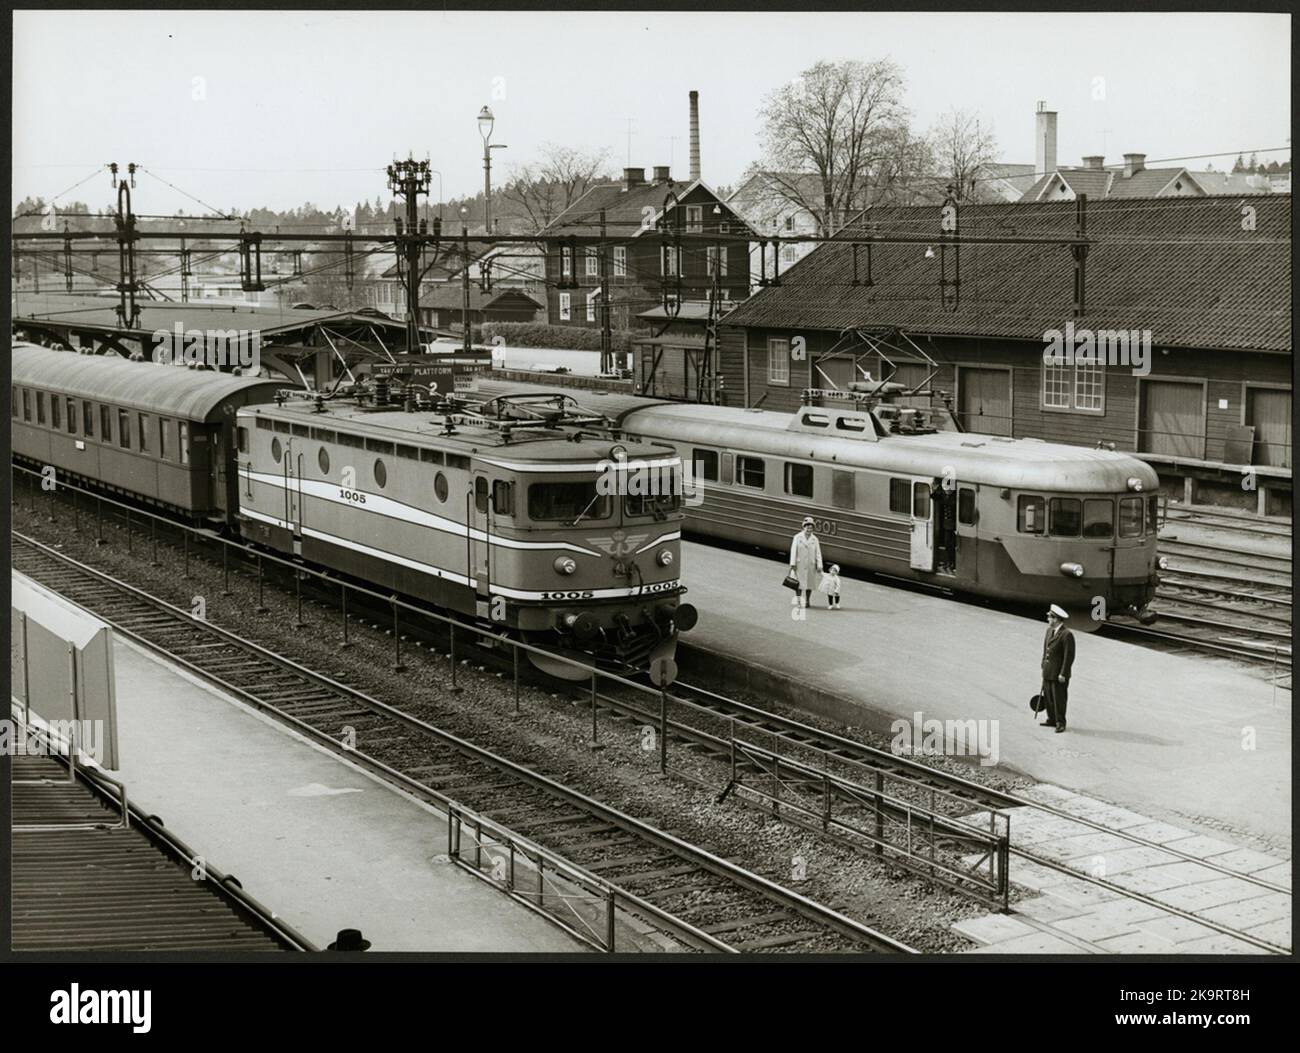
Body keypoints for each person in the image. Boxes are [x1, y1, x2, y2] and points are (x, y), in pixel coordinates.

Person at [1040, 604, 1075, 733]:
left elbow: (1069, 657)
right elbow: (1045, 649)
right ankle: (1051, 719)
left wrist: (1063, 673)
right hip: (1048, 671)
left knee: (1059, 698)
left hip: (1059, 674)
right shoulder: (1049, 631)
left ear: (1056, 619)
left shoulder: (1067, 635)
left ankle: (1060, 722)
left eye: (1049, 617)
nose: (1048, 619)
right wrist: (1043, 664)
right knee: (1048, 696)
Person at [788, 517, 823, 609]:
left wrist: (819, 565)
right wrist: (793, 564)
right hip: (799, 564)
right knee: (798, 584)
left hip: (811, 565)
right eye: (807, 527)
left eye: (811, 528)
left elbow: (818, 552)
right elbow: (793, 551)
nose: (809, 529)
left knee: (809, 584)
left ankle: (807, 600)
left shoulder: (815, 539)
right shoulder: (797, 537)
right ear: (803, 527)